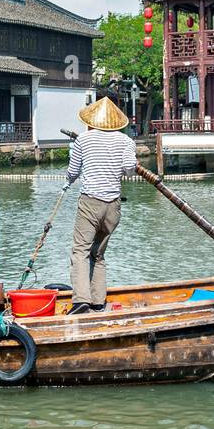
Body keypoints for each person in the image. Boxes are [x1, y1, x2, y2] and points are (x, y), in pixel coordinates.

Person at [63, 92, 137, 314]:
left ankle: (81, 300)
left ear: (91, 121)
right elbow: (129, 170)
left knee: (80, 251)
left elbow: (73, 172)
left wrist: (67, 181)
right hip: (113, 206)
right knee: (99, 253)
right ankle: (98, 301)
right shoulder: (127, 141)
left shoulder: (83, 140)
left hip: (90, 202)